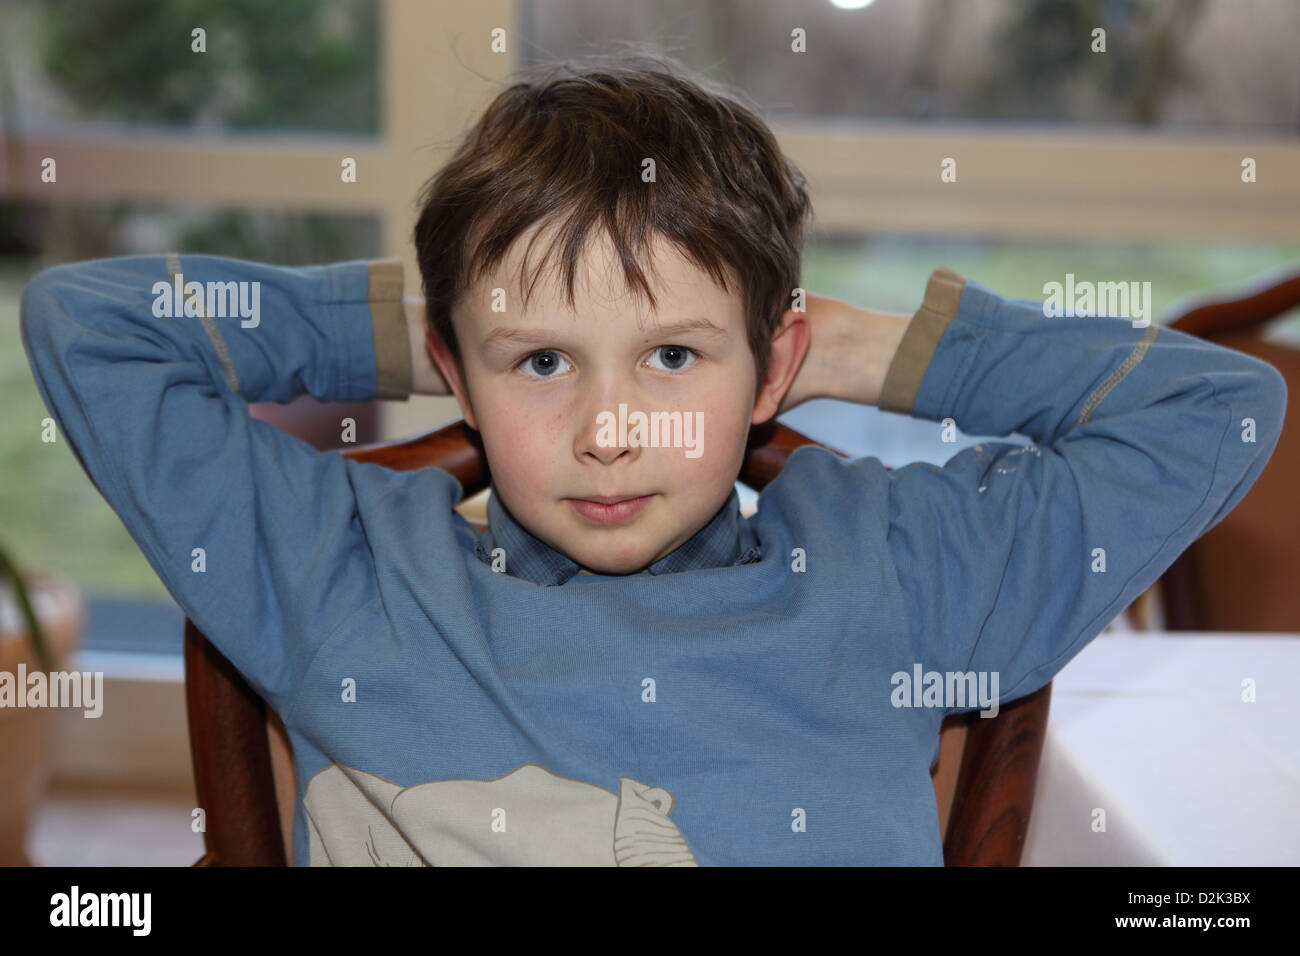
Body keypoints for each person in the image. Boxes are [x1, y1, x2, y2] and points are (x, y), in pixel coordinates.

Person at [19, 53, 1286, 865]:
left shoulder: (901, 569)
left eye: (675, 358)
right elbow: (91, 323)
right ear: (454, 369)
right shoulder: (342, 566)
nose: (609, 429)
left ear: (771, 364)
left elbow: (1216, 406)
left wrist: (865, 349)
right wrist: (425, 325)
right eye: (541, 363)